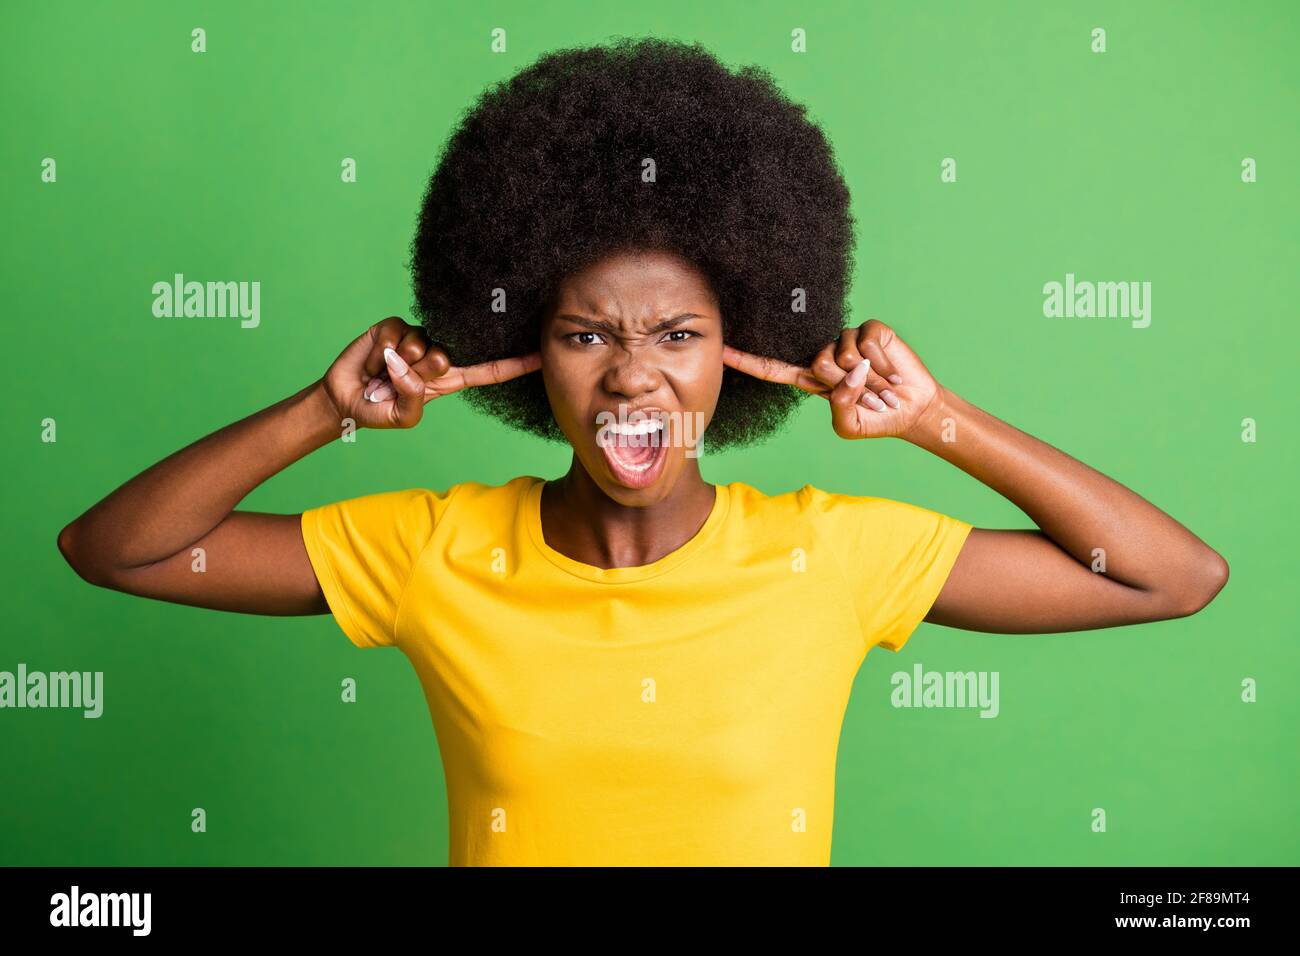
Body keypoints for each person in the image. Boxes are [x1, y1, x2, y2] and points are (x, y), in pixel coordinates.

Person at [56, 38, 1227, 866]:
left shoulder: (832, 553)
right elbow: (116, 550)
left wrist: (934, 421)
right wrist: (328, 408)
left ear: (746, 353)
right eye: (584, 334)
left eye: (679, 335)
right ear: (521, 354)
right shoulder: (431, 547)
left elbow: (1173, 577)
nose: (632, 375)